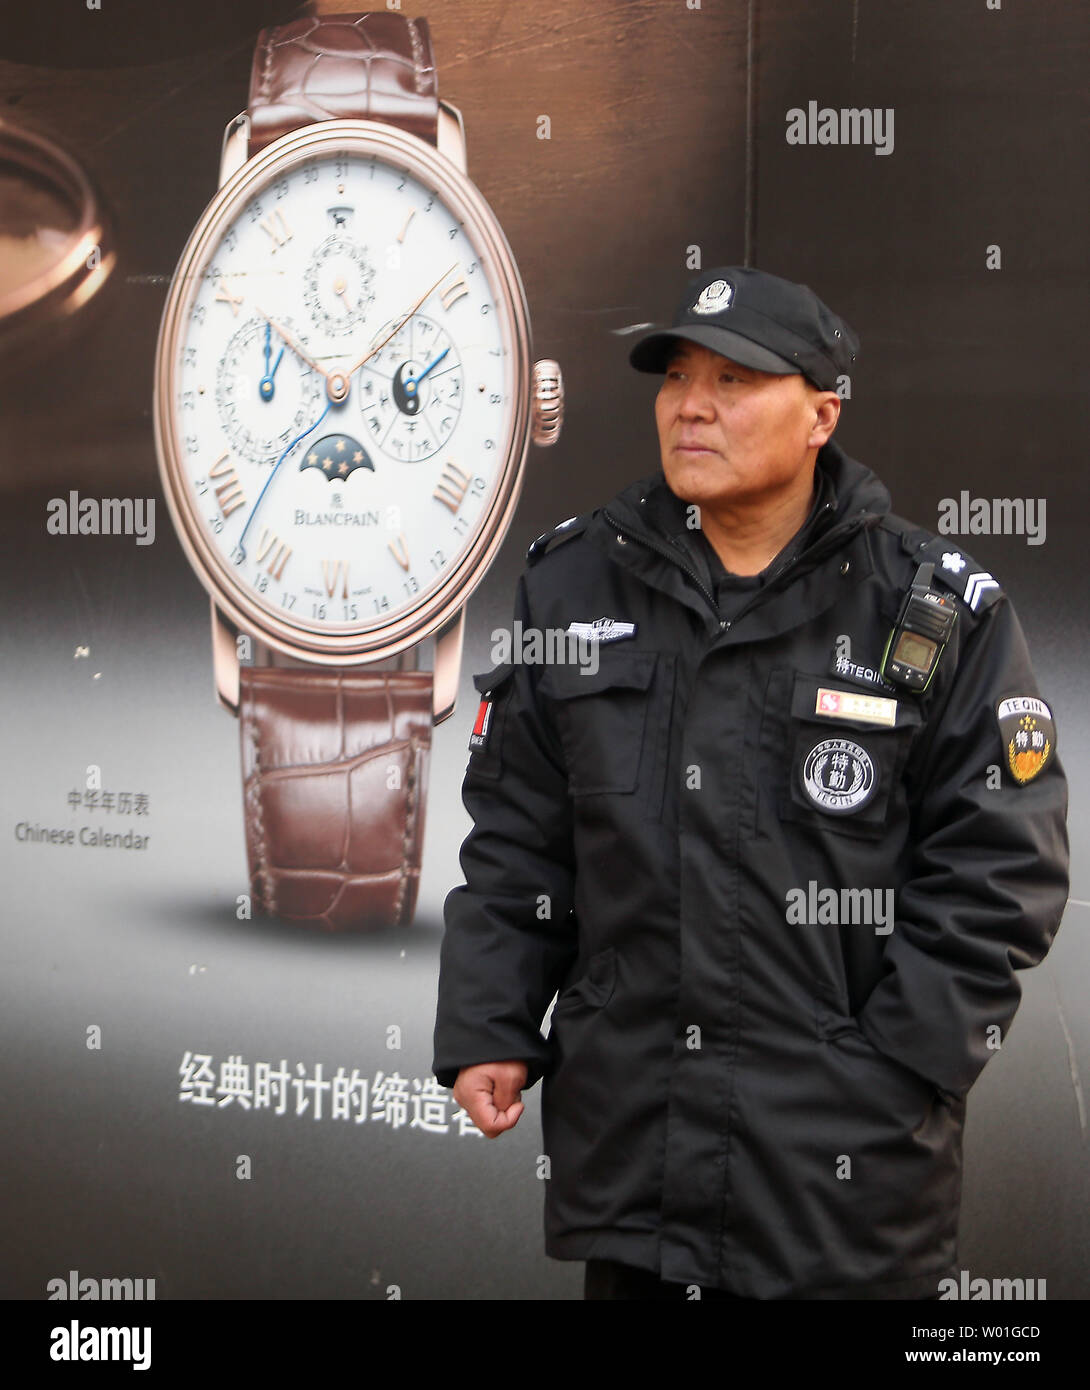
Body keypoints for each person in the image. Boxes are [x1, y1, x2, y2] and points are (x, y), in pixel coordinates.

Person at [431, 265, 1069, 1300]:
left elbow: (1003, 868)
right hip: (634, 1174)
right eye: (678, 376)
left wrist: (888, 1072)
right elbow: (517, 839)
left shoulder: (932, 614)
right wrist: (489, 1023)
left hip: (841, 1191)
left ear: (822, 415)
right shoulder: (574, 583)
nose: (691, 405)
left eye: (734, 380)